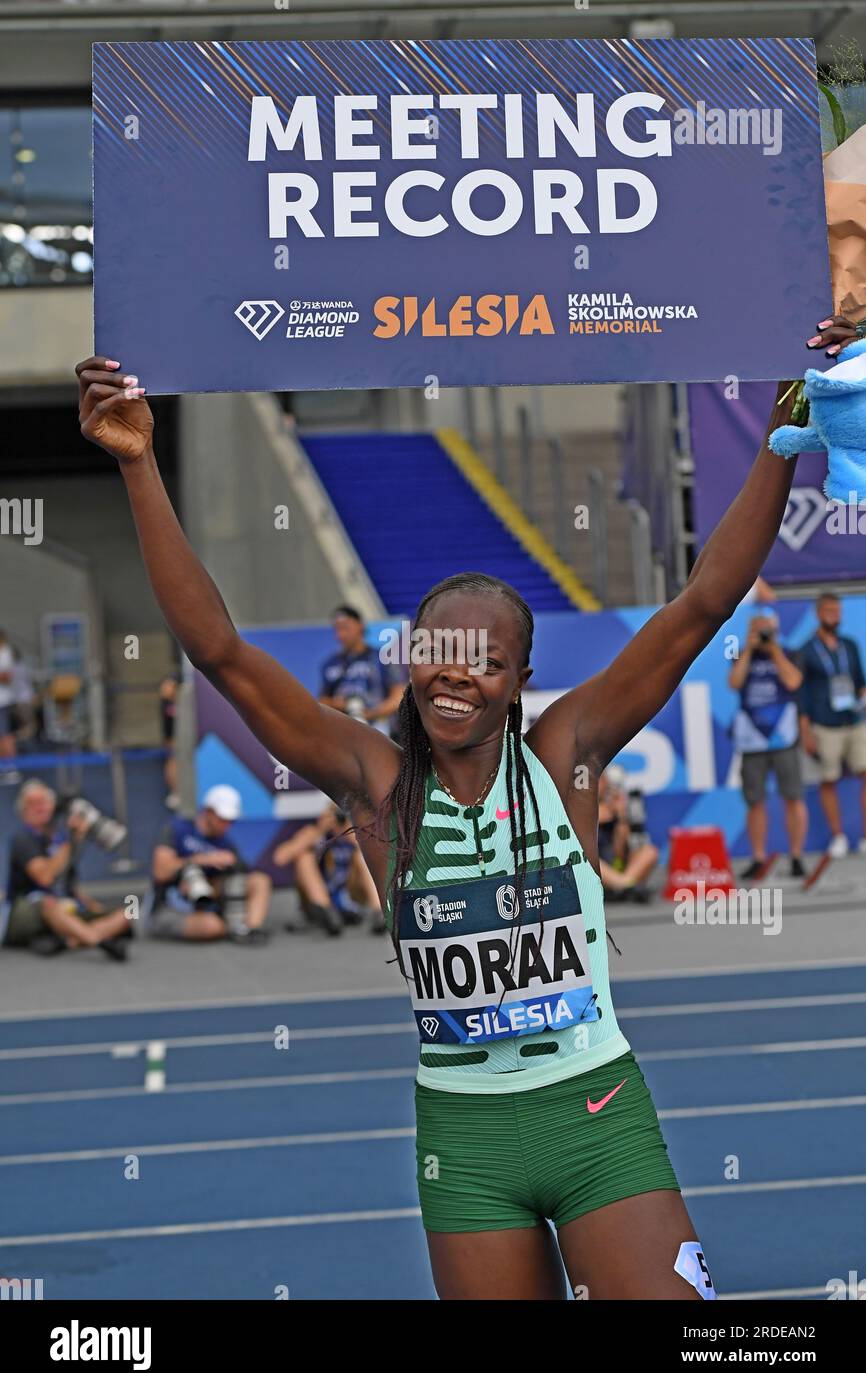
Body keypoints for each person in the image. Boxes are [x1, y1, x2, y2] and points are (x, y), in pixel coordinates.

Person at [75, 312, 854, 1301]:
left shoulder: (566, 753)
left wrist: (788, 413)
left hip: (595, 1109)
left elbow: (703, 600)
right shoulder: (374, 785)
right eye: (438, 653)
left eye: (483, 660)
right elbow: (220, 654)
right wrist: (141, 466)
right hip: (465, 1134)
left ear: (519, 677)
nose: (456, 676)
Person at [2, 778, 130, 959]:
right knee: (49, 904)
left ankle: (68, 941)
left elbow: (65, 879)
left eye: (44, 802)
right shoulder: (23, 839)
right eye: (33, 804)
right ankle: (99, 940)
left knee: (128, 912)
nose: (40, 808)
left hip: (63, 907)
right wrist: (72, 841)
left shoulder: (58, 838)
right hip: (26, 911)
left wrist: (83, 900)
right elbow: (45, 878)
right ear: (23, 812)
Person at [728, 612, 807, 878]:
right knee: (755, 801)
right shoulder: (740, 654)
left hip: (783, 736)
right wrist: (749, 650)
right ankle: (758, 856)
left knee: (793, 796)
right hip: (752, 738)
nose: (762, 635)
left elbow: (794, 681)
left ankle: (796, 855)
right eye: (757, 630)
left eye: (767, 631)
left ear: (776, 630)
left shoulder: (788, 652)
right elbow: (734, 683)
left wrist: (773, 651)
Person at [144, 783, 272, 941]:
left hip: (206, 899)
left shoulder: (225, 843)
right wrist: (203, 860)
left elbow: (241, 877)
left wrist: (232, 865)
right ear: (208, 812)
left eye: (230, 821)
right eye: (223, 819)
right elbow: (160, 872)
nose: (227, 825)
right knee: (212, 927)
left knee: (260, 880)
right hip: (169, 903)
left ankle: (251, 929)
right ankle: (226, 926)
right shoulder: (178, 829)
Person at [797, 593, 866, 858]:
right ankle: (837, 835)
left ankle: (864, 836)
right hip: (825, 723)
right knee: (829, 778)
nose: (833, 615)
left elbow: (859, 680)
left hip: (854, 719)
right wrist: (806, 731)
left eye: (837, 610)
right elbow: (801, 693)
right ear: (818, 613)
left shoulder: (849, 645)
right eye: (828, 610)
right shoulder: (806, 650)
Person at [273, 802, 386, 935]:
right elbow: (279, 858)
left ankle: (379, 911)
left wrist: (348, 832)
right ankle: (328, 913)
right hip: (318, 899)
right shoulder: (313, 832)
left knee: (361, 855)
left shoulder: (351, 833)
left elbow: (377, 852)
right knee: (304, 858)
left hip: (348, 895)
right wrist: (318, 832)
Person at [319, 605, 405, 735]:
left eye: (346, 628)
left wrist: (372, 713)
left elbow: (399, 696)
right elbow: (322, 700)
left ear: (360, 626)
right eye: (337, 630)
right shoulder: (331, 664)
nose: (341, 635)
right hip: (342, 728)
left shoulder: (382, 658)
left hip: (378, 727)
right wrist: (342, 704)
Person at [596, 768, 658, 902]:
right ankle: (626, 885)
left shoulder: (614, 807)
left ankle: (620, 887)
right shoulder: (582, 808)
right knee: (593, 860)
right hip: (597, 867)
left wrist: (621, 817)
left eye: (601, 781)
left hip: (615, 863)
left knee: (649, 852)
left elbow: (619, 851)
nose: (598, 785)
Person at [0, 628, 19, 785]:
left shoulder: (5, 653)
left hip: (2, 702)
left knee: (5, 736)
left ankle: (11, 769)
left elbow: (7, 678)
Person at [159, 671, 180, 809]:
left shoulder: (183, 701)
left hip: (183, 739)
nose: (166, 688)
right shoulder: (166, 703)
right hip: (172, 738)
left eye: (170, 685)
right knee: (172, 762)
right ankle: (176, 792)